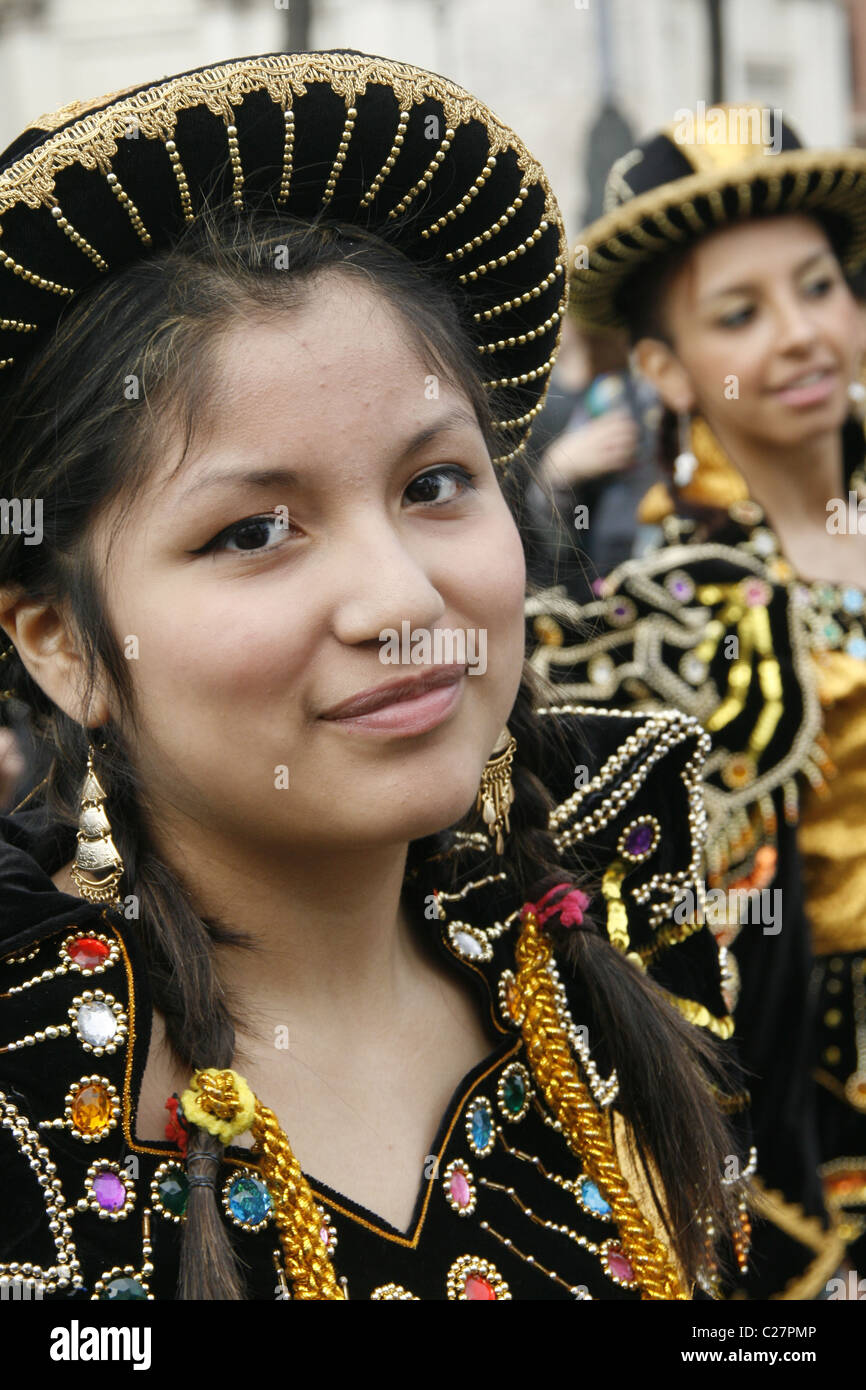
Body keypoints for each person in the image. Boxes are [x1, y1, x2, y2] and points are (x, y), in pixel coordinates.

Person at [0, 52, 749, 1302]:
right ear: (60, 642)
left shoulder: (623, 927)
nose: (403, 600)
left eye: (433, 484)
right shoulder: (30, 1097)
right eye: (252, 531)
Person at [528, 104, 866, 1295]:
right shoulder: (634, 635)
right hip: (803, 1125)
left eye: (817, 284)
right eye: (738, 312)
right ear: (663, 365)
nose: (797, 333)